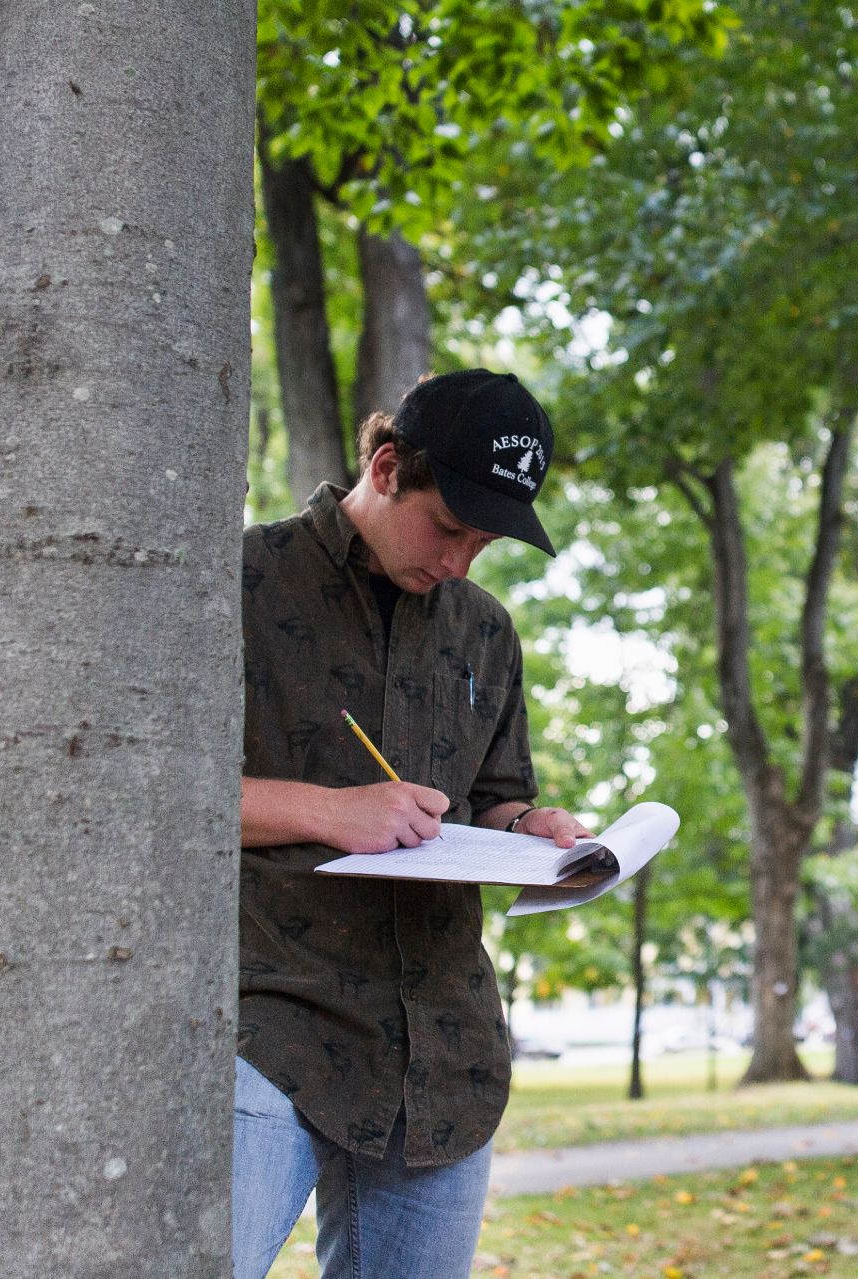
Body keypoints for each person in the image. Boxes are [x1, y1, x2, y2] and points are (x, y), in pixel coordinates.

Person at [233, 369, 592, 1279]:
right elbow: (146, 794)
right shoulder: (237, 581)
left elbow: (492, 798)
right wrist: (328, 811)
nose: (460, 562)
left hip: (441, 1054)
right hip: (264, 1023)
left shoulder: (485, 631)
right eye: (448, 527)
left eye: (486, 540)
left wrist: (536, 829)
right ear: (387, 466)